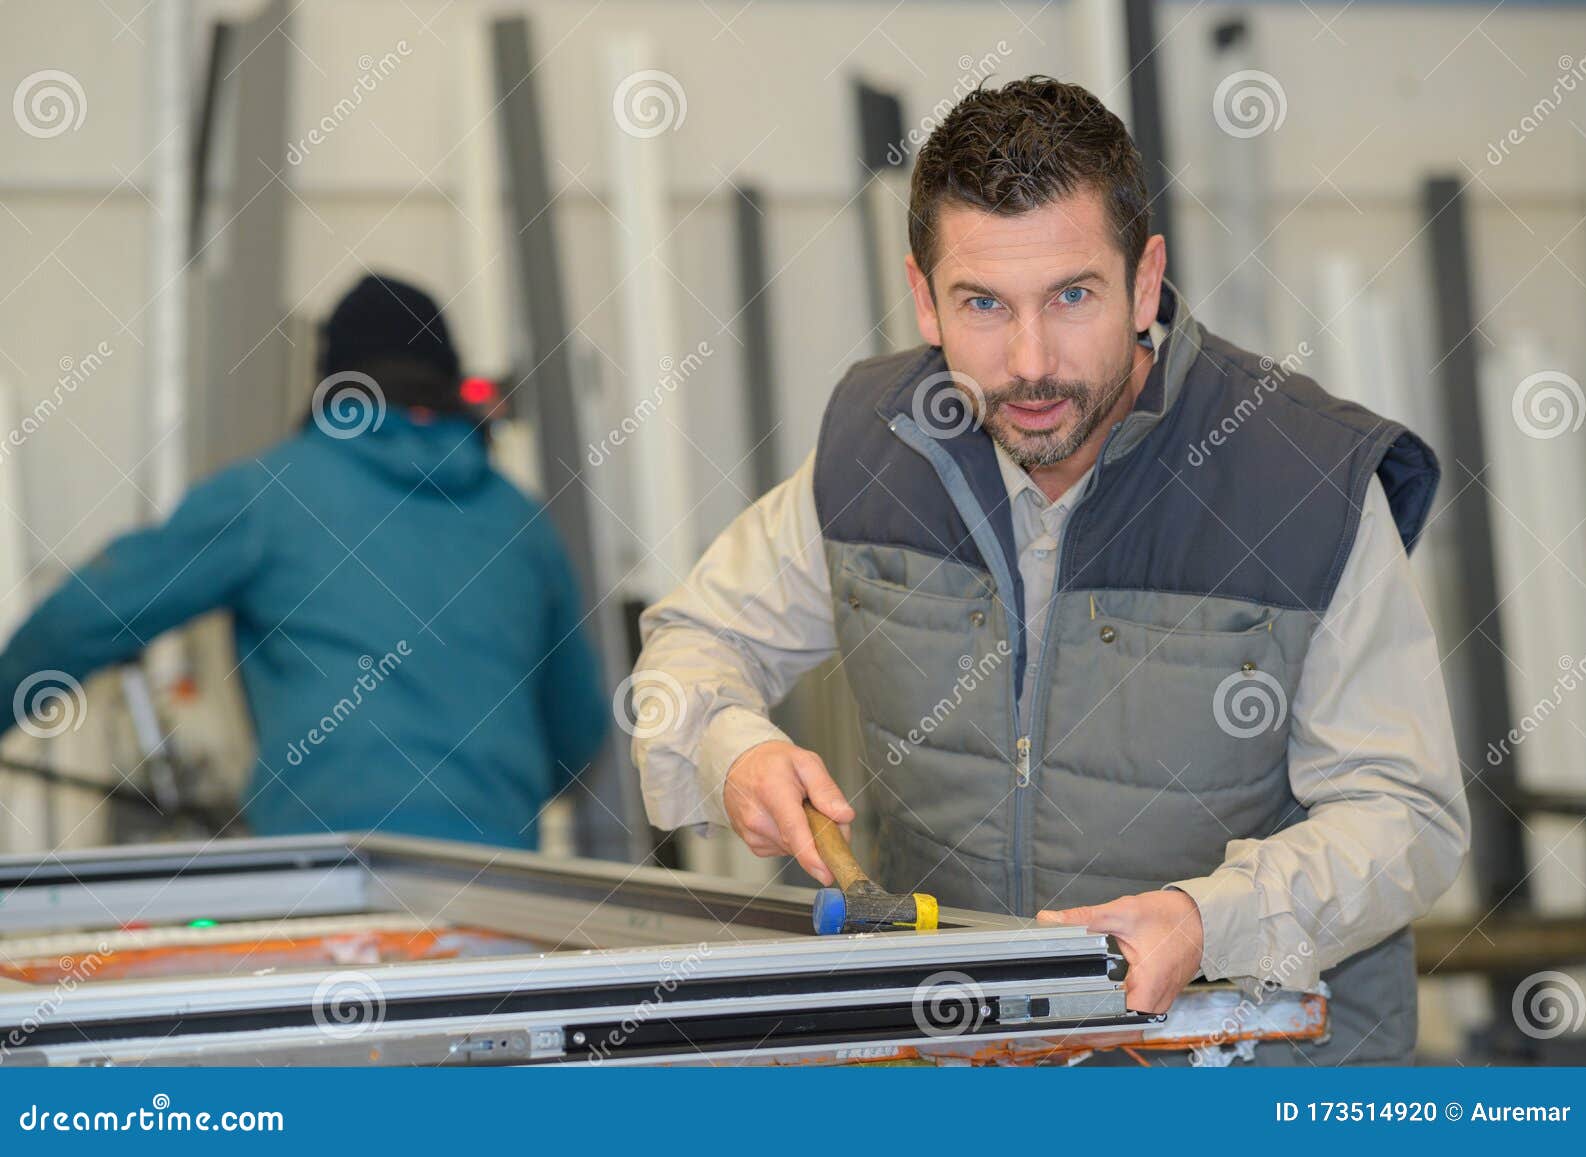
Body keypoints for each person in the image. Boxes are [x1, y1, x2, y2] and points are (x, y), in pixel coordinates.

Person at [630, 78, 1468, 1064]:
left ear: (1145, 281)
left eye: (1071, 295)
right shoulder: (875, 452)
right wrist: (731, 746)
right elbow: (693, 643)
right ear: (922, 298)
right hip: (962, 1065)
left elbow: (1401, 815)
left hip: (1247, 1077)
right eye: (982, 303)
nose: (1029, 362)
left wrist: (1210, 920)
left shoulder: (1300, 477)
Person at [0, 273, 609, 849]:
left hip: (326, 882)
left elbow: (84, 617)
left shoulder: (273, 494)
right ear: (450, 383)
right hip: (503, 882)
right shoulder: (521, 520)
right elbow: (578, 728)